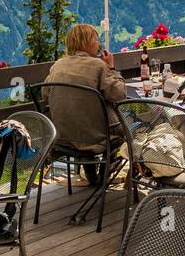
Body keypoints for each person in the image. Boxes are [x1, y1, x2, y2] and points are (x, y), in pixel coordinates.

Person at [43, 23, 127, 180]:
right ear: (86, 42)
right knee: (129, 127)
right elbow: (120, 95)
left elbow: (46, 94)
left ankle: (89, 166)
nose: (99, 44)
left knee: (83, 118)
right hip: (97, 137)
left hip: (63, 137)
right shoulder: (98, 66)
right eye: (96, 40)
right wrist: (112, 68)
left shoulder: (57, 65)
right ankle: (105, 168)